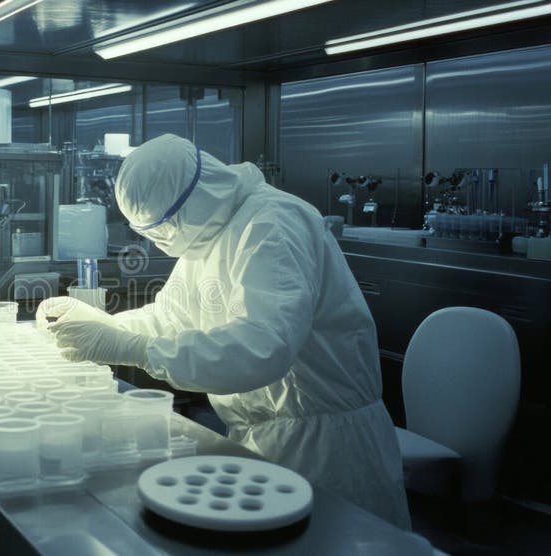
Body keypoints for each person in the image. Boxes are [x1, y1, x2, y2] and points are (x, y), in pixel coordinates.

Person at [41, 134, 411, 529]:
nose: (161, 239)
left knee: (336, 540)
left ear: (194, 199)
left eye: (163, 226)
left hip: (327, 446)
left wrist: (133, 349)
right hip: (263, 437)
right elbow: (172, 319)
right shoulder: (210, 235)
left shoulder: (272, 224)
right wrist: (103, 325)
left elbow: (261, 348)